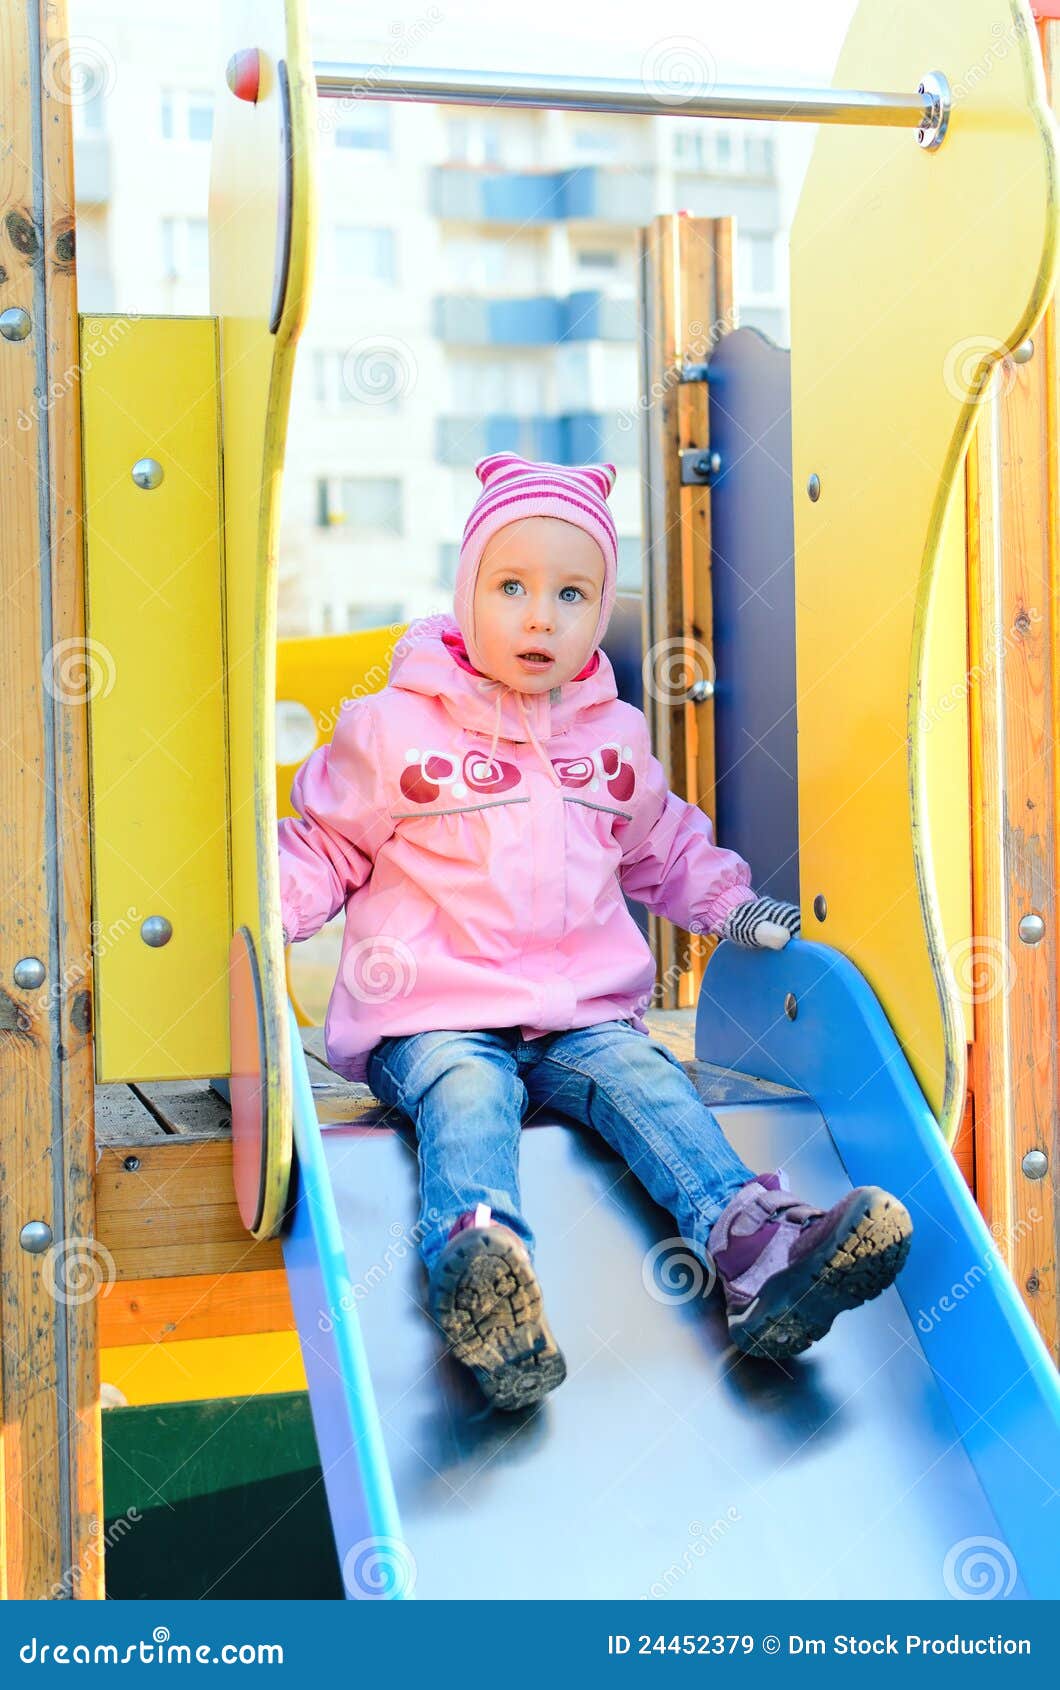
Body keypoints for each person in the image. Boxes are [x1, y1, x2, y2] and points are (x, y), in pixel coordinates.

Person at [277, 453, 913, 1411]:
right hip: (432, 1015)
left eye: (572, 593)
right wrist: (260, 916)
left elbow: (661, 844)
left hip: (579, 1018)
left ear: (598, 610)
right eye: (513, 587)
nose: (541, 615)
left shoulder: (609, 740)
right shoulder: (396, 732)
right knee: (467, 1093)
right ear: (467, 596)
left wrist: (728, 905)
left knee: (648, 1080)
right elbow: (326, 847)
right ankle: (484, 1273)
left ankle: (759, 1255)